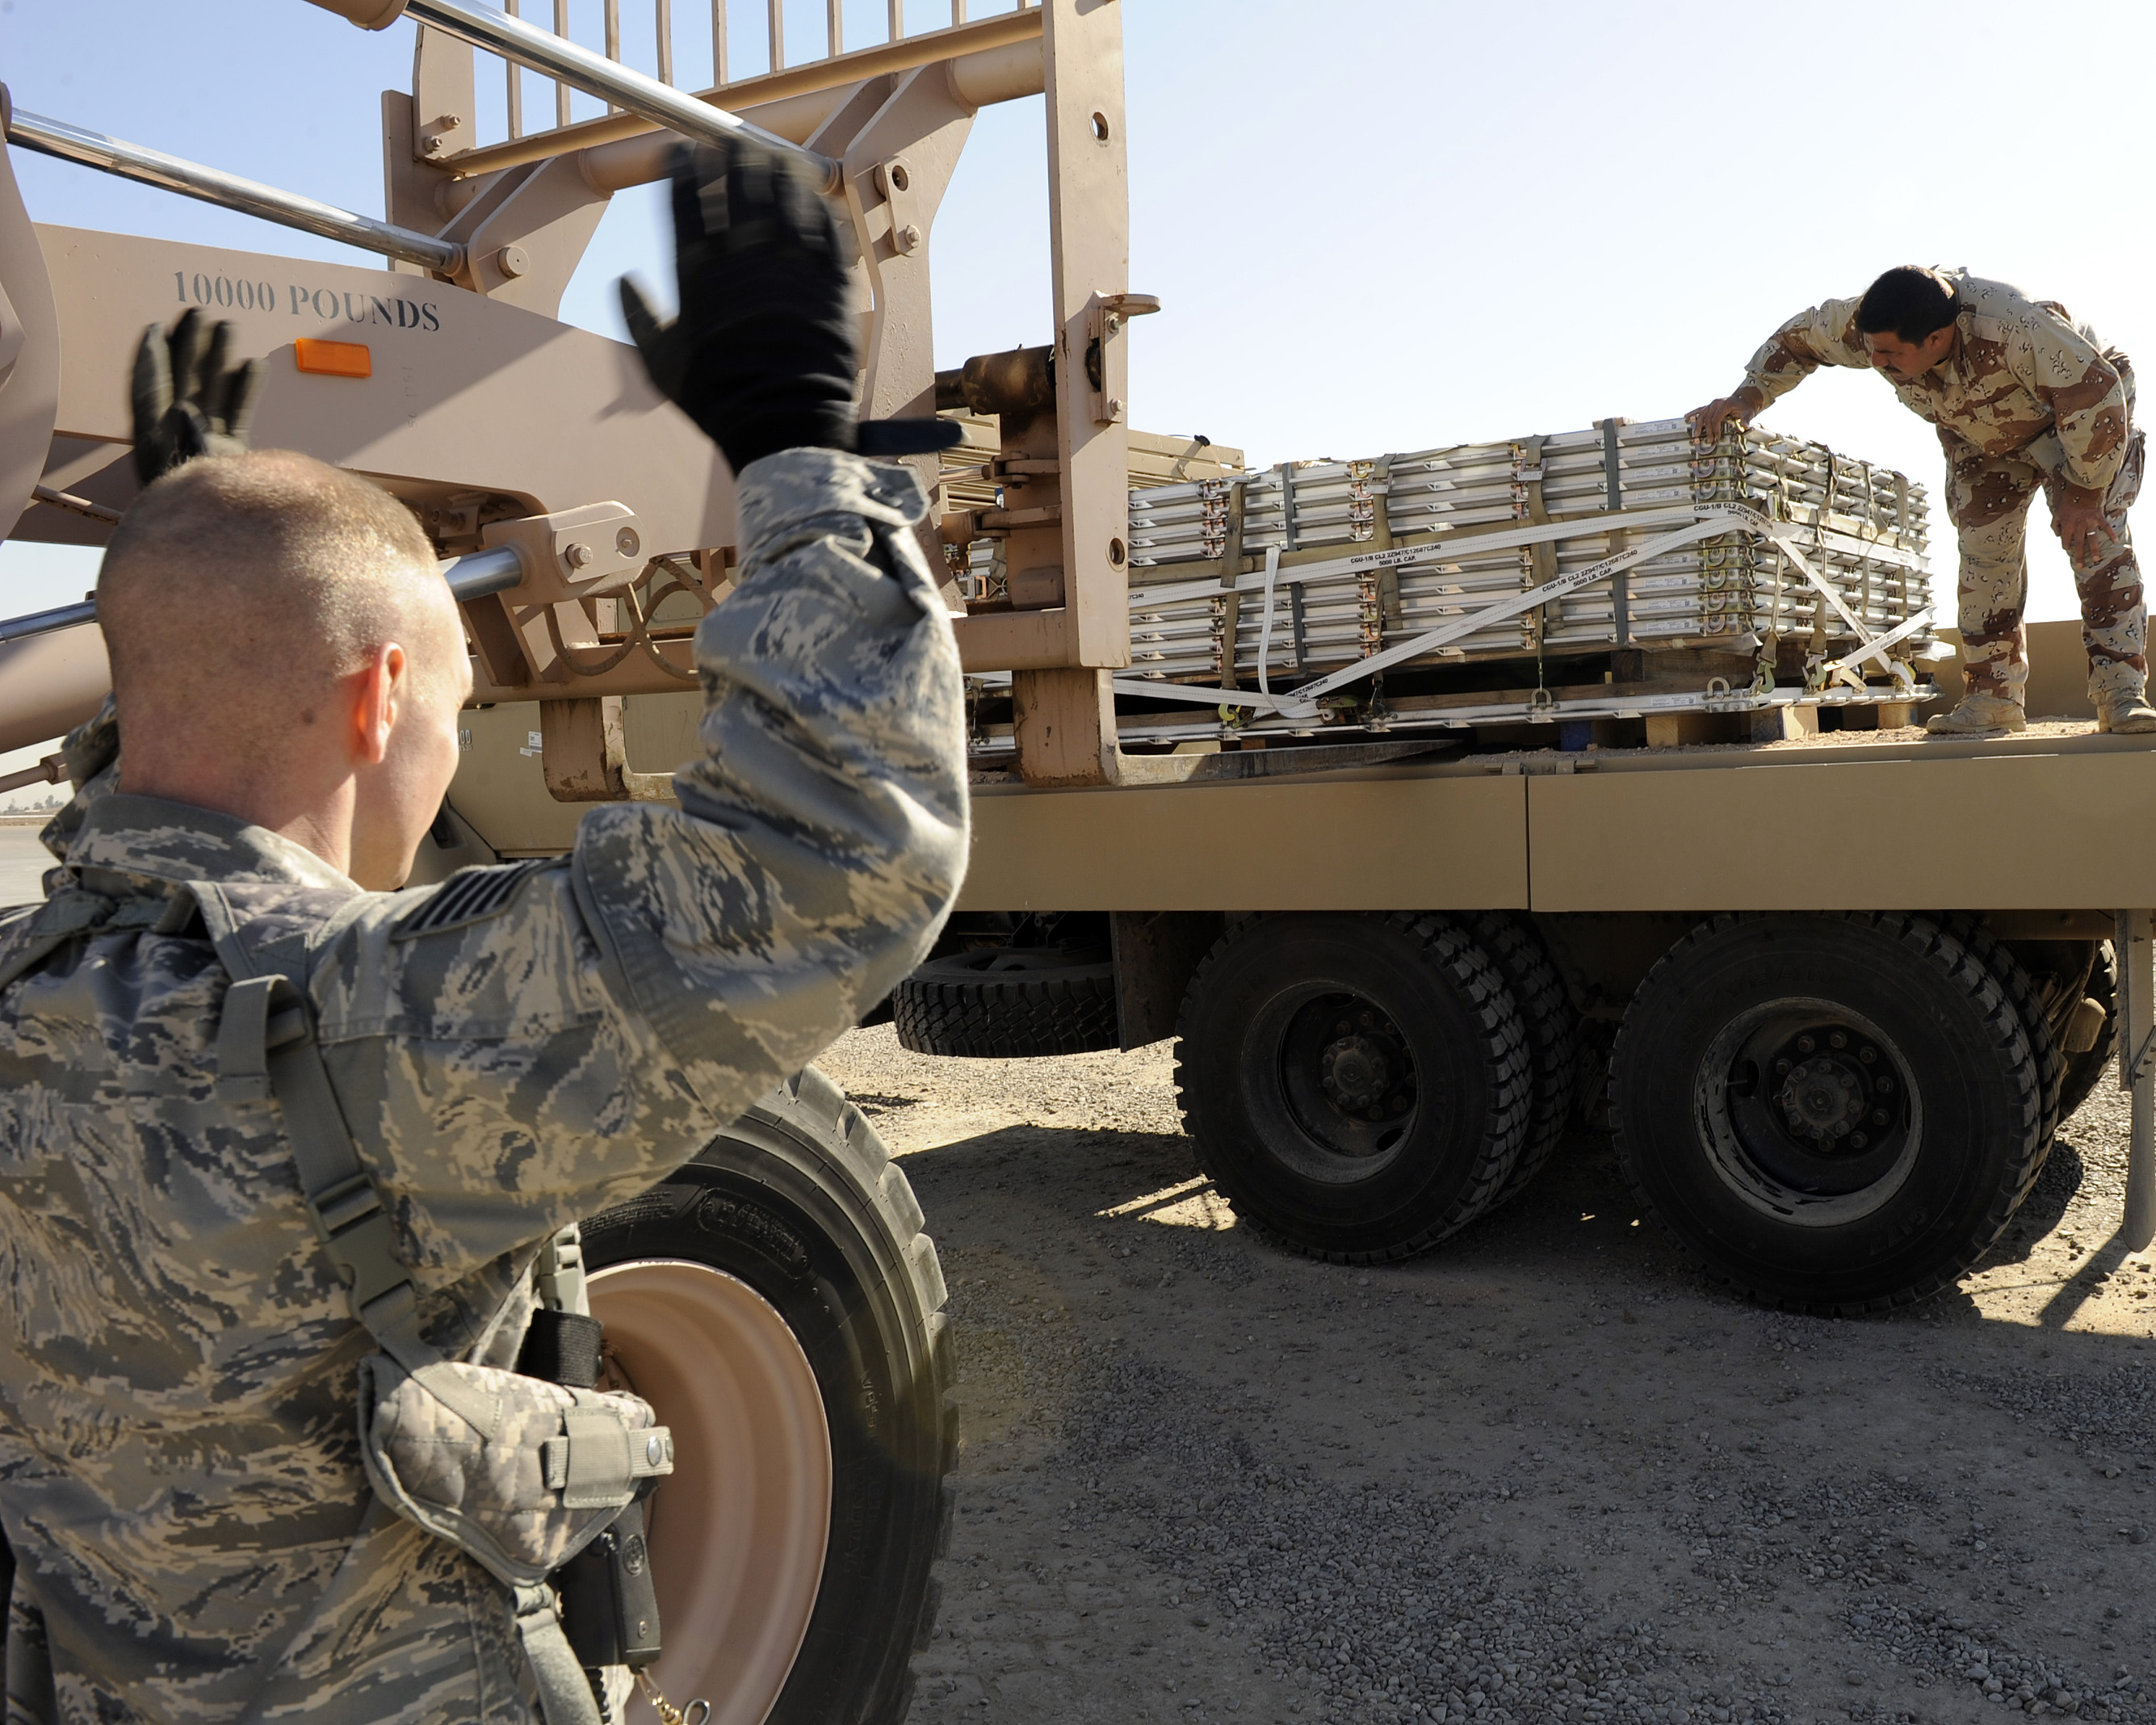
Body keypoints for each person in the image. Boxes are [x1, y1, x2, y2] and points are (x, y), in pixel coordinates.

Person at [0, 136, 967, 1723]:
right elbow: (834, 861)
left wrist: (174, 582)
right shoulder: (379, 1031)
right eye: (453, 702)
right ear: (383, 698)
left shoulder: (32, 989)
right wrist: (801, 449)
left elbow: (168, 775)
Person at [1688, 265, 2156, 735]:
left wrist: (2086, 492)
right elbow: (1799, 339)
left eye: (1890, 354)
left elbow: (2096, 393)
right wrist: (1749, 398)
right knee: (1984, 563)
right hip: (1981, 437)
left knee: (2096, 548)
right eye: (1872, 349)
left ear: (1937, 338)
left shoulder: (2017, 327)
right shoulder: (1869, 324)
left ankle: (2121, 696)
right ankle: (1993, 701)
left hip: (2081, 424)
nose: (1877, 362)